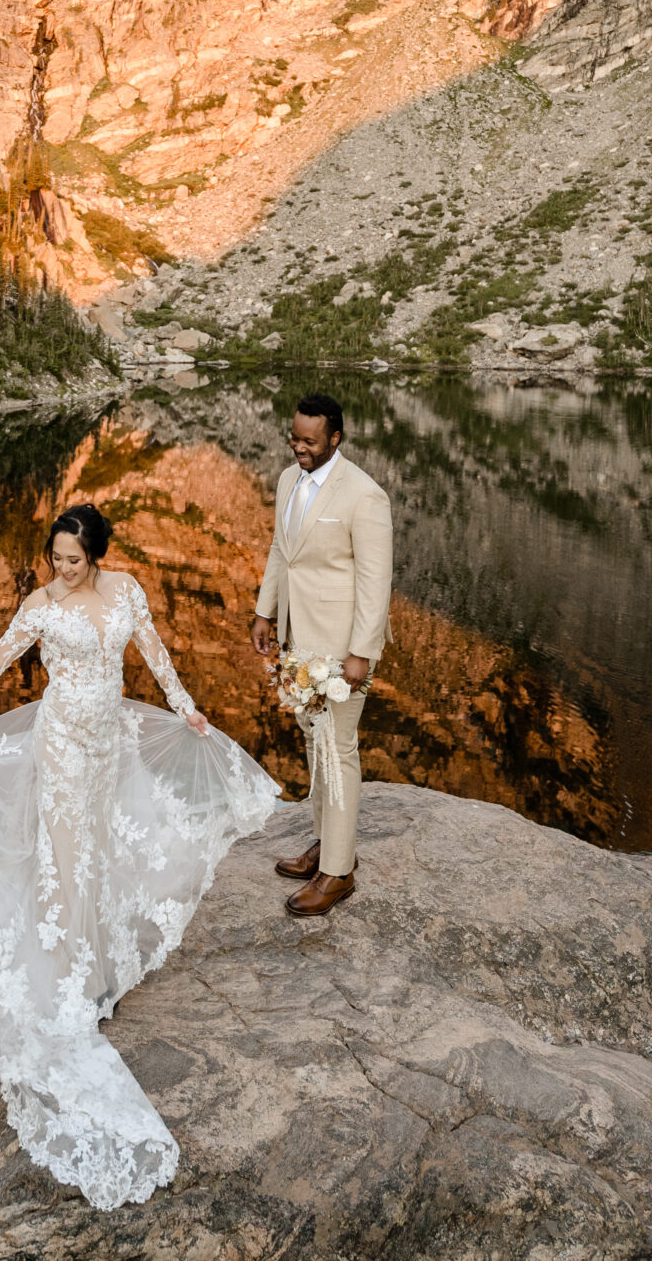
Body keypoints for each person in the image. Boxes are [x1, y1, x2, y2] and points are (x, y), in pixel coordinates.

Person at [0, 501, 279, 1211]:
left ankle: (96, 968)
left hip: (109, 747)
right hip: (61, 746)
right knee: (65, 856)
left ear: (96, 556)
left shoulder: (125, 591)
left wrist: (185, 705)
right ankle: (68, 985)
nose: (60, 571)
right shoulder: (39, 603)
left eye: (72, 561)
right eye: (54, 559)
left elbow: (152, 651)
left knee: (100, 852)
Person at [251, 391, 393, 916]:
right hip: (297, 641)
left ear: (336, 438)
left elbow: (376, 583)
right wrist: (265, 612)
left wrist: (361, 654)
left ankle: (339, 872)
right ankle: (324, 845)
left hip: (340, 650)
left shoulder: (364, 495)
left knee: (339, 749)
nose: (299, 448)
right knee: (315, 745)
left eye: (310, 441)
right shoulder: (289, 481)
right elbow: (280, 551)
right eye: (294, 438)